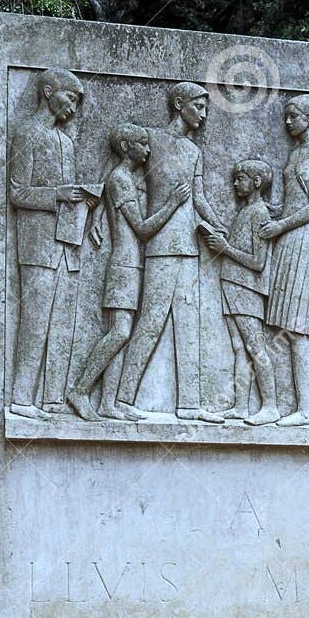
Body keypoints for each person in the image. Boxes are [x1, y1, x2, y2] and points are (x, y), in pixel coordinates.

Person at [115, 81, 225, 421]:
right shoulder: (152, 141)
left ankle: (190, 405)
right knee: (151, 321)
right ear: (179, 104)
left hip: (188, 245)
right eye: (199, 106)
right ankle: (122, 398)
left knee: (189, 323)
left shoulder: (194, 151)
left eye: (207, 109)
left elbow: (199, 197)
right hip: (160, 245)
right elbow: (126, 171)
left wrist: (221, 226)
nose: (204, 115)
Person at [66, 126, 191, 421]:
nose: (148, 150)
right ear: (125, 146)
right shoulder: (120, 179)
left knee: (123, 334)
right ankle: (80, 390)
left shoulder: (127, 179)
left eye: (149, 144)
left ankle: (109, 403)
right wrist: (173, 203)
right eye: (142, 144)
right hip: (123, 264)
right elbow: (143, 229)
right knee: (120, 332)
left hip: (132, 264)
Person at [7, 67, 102, 418]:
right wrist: (59, 195)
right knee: (35, 321)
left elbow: (65, 195)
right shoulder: (28, 133)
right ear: (48, 92)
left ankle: (51, 400)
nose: (74, 108)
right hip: (37, 243)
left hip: (67, 241)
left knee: (62, 324)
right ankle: (20, 399)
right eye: (70, 98)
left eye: (78, 102)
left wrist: (83, 200)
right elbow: (18, 194)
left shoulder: (66, 140)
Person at [261, 94, 309, 426]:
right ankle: (301, 406)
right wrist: (272, 212)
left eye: (293, 116)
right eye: (285, 117)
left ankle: (308, 409)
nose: (287, 122)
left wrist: (280, 226)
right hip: (289, 238)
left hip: (305, 241)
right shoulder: (296, 153)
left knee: (299, 328)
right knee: (288, 327)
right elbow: (293, 201)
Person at [206, 158, 280, 425]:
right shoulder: (245, 212)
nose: (236, 183)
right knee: (239, 348)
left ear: (256, 182)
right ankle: (241, 407)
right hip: (231, 283)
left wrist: (224, 248)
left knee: (255, 346)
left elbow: (258, 262)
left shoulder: (259, 213)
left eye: (241, 178)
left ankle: (271, 406)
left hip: (247, 287)